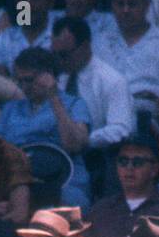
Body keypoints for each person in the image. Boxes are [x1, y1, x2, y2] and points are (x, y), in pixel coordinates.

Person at [0, 47, 91, 207]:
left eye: (29, 80)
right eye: (20, 81)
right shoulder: (11, 108)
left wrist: (53, 96)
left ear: (49, 75)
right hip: (19, 180)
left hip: (63, 180)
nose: (24, 87)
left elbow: (74, 145)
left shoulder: (74, 104)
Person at [50, 16, 134, 158]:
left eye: (64, 55)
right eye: (54, 54)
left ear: (85, 47)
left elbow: (121, 129)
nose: (59, 60)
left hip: (97, 156)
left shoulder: (112, 81)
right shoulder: (55, 76)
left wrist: (83, 140)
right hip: (56, 153)